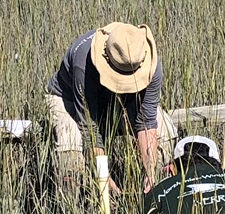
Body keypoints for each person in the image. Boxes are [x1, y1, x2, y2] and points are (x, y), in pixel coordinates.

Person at [44, 22, 173, 180]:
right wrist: (103, 177)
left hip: (123, 100)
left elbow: (147, 123)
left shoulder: (148, 62)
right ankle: (78, 191)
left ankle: (151, 188)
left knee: (165, 135)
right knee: (70, 147)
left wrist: (150, 172)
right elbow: (89, 128)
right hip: (69, 99)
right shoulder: (83, 64)